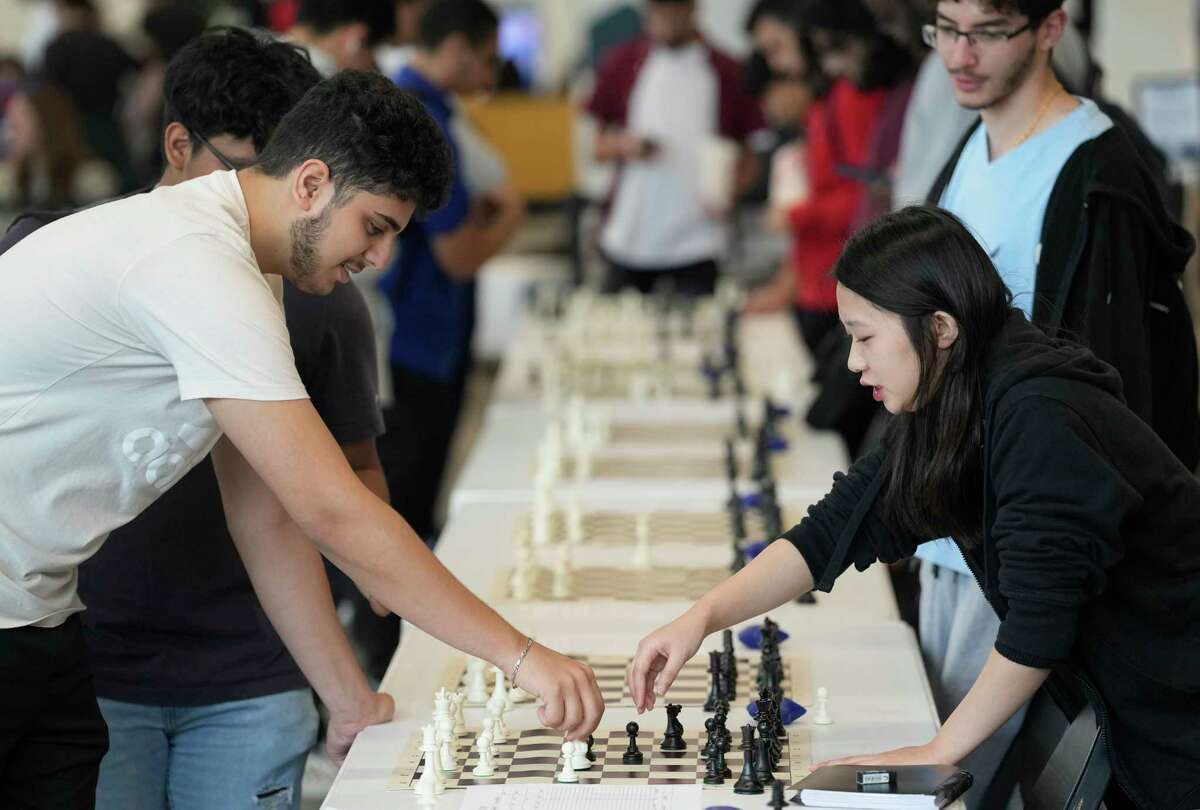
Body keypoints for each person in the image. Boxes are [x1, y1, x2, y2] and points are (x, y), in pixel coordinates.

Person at [0, 68, 603, 810]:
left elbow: (268, 512)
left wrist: (347, 698)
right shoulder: (194, 261)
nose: (379, 259)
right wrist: (523, 657)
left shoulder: (246, 268)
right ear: (311, 183)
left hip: (36, 610)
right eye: (375, 228)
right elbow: (331, 510)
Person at [629, 206, 1200, 810]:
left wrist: (937, 750)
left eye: (865, 337)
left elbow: (1041, 621)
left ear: (940, 328)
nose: (852, 362)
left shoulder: (1039, 415)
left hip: (1179, 704)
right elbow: (837, 527)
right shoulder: (953, 396)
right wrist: (702, 617)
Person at [0, 28, 373, 810]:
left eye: (290, 176)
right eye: (249, 171)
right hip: (87, 644)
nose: (269, 199)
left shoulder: (296, 291)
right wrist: (517, 655)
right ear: (178, 145)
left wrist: (350, 680)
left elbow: (288, 507)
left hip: (221, 662)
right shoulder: (91, 250)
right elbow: (323, 508)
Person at [914, 1, 1198, 800]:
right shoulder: (968, 147)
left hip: (1026, 549)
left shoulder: (1099, 171)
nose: (960, 56)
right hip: (952, 532)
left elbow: (1122, 397)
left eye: (988, 32)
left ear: (1049, 27)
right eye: (945, 29)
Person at [375, 0, 525, 552]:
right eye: (486, 58)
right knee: (407, 511)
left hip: (423, 329)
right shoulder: (424, 118)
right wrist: (511, 216)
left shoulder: (420, 103)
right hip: (419, 334)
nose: (490, 74)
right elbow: (456, 255)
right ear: (457, 47)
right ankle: (393, 635)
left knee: (412, 504)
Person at [587, 0, 763, 296]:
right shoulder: (623, 62)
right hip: (631, 235)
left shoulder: (726, 70)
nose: (663, 18)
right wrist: (624, 146)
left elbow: (752, 153)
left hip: (698, 240)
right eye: (656, 10)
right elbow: (594, 145)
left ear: (693, 9)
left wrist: (731, 190)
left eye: (671, 10)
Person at [284, 0, 395, 76]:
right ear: (355, 39)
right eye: (372, 58)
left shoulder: (274, 58)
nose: (372, 69)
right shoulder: (324, 89)